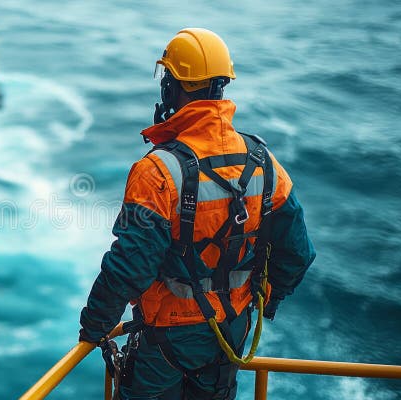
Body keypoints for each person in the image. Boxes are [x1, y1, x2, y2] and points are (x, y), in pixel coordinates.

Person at [78, 28, 316, 399]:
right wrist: (266, 299)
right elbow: (297, 253)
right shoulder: (265, 163)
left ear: (171, 88)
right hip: (230, 334)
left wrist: (94, 328)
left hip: (164, 342)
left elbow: (129, 267)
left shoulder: (157, 172)